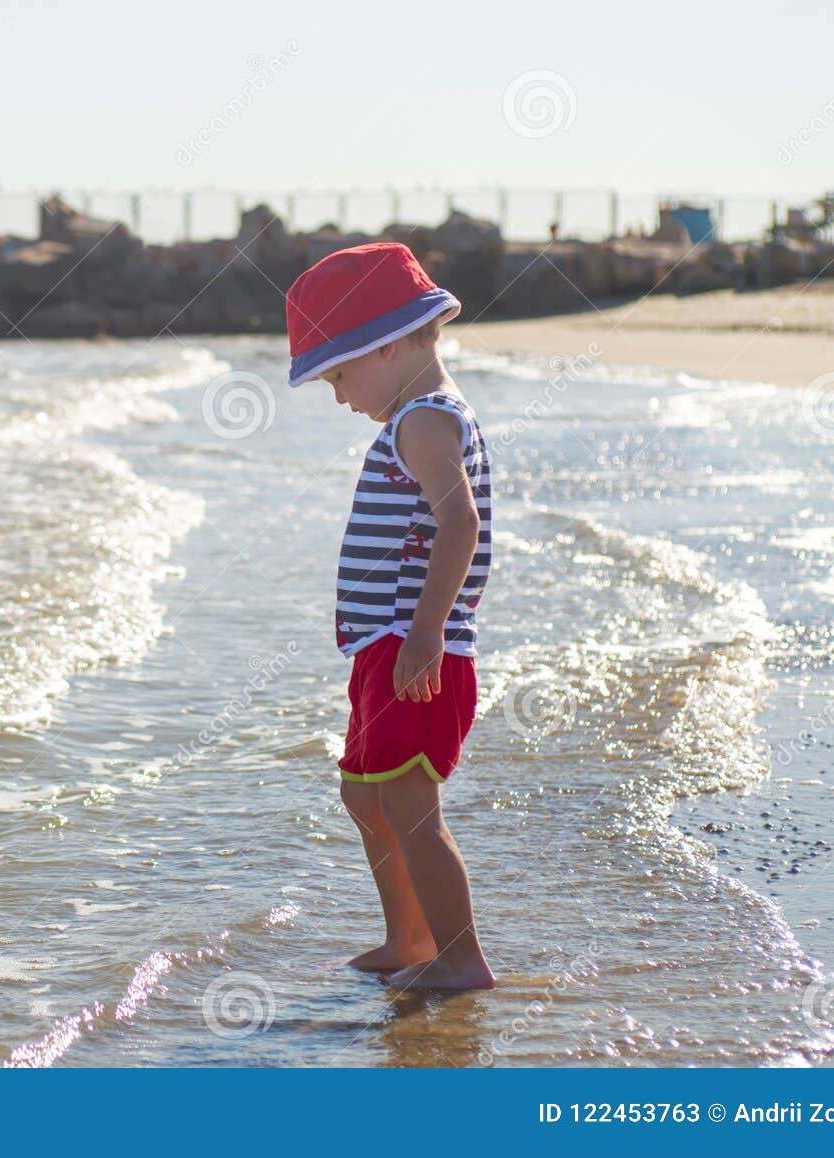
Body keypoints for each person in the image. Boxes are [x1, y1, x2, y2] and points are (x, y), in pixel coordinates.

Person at [285, 243, 495, 990]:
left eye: (340, 373)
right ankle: (409, 938)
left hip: (414, 647)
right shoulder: (416, 420)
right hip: (388, 646)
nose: (339, 394)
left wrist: (428, 633)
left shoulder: (426, 425)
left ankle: (460, 958)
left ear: (393, 344)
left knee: (409, 802)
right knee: (364, 791)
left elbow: (460, 527)